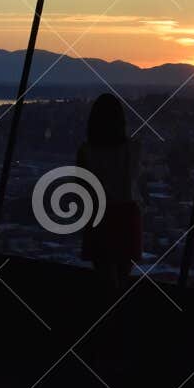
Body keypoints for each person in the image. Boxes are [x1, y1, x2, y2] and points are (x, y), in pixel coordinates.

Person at [75, 94, 143, 289]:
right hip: (127, 213)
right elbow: (135, 176)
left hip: (99, 215)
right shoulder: (133, 148)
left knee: (105, 278)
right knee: (122, 278)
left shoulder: (85, 151)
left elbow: (81, 185)